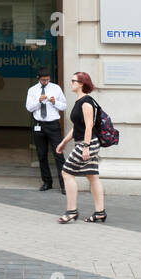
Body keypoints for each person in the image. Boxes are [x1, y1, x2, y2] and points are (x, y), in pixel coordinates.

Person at [56, 72, 106, 223]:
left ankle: (72, 211)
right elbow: (78, 127)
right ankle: (100, 212)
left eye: (73, 81)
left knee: (66, 173)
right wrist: (64, 142)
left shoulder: (86, 102)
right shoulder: (80, 101)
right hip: (86, 142)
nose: (71, 83)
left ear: (81, 84)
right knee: (92, 177)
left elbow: (89, 126)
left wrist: (85, 147)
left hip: (88, 143)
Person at [26, 67, 66, 192]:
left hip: (53, 125)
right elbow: (29, 108)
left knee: (58, 154)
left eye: (47, 80)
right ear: (38, 78)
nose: (46, 82)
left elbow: (64, 106)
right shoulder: (32, 90)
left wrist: (55, 102)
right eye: (43, 80)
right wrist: (39, 101)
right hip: (39, 124)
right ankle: (47, 182)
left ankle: (64, 185)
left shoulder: (56, 88)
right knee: (41, 155)